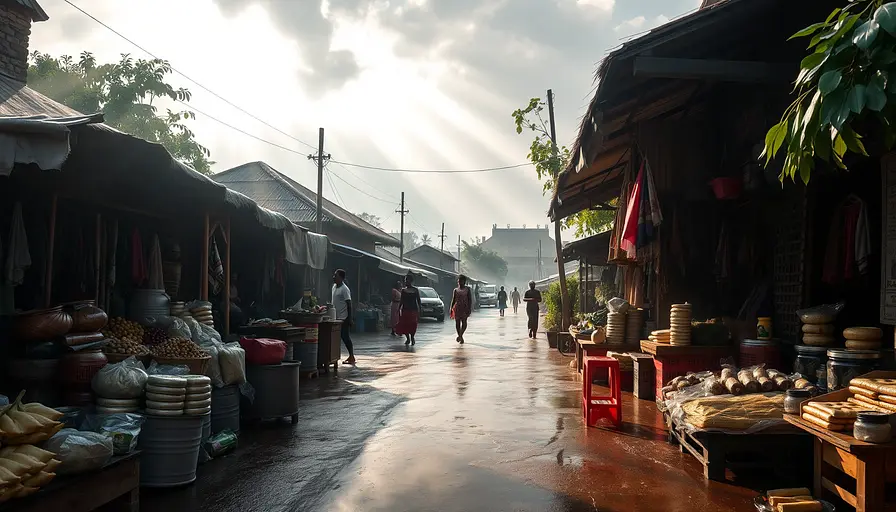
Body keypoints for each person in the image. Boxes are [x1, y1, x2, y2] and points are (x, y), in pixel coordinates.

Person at [332, 269, 356, 365]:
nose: (334, 277)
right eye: (334, 275)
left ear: (341, 278)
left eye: (336, 276)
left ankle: (351, 356)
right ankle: (335, 356)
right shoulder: (334, 287)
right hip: (335, 317)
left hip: (344, 317)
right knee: (336, 338)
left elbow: (349, 304)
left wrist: (350, 318)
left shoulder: (345, 289)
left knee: (345, 337)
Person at [395, 273, 422, 345]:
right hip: (405, 310)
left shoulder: (415, 290)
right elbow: (402, 300)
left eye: (407, 280)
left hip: (413, 310)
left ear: (411, 281)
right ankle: (408, 338)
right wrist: (398, 309)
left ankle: (412, 337)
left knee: (413, 325)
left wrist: (420, 309)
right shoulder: (403, 291)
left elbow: (418, 300)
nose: (406, 282)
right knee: (405, 325)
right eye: (405, 280)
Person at [450, 274, 473, 344]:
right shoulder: (455, 290)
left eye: (461, 281)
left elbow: (470, 300)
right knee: (457, 323)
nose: (459, 282)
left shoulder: (467, 289)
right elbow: (453, 300)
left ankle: (460, 335)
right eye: (459, 281)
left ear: (464, 281)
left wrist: (469, 308)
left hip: (465, 308)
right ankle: (460, 337)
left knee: (464, 323)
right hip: (457, 308)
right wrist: (451, 308)